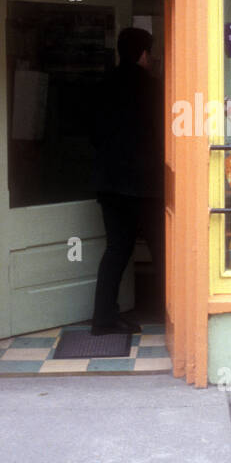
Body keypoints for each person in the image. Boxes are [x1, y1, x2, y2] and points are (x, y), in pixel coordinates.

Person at [89, 27, 164, 336]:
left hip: (110, 184)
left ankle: (103, 319)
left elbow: (93, 134)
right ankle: (170, 310)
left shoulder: (103, 85)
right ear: (144, 54)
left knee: (116, 250)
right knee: (163, 248)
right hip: (146, 186)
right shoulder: (154, 88)